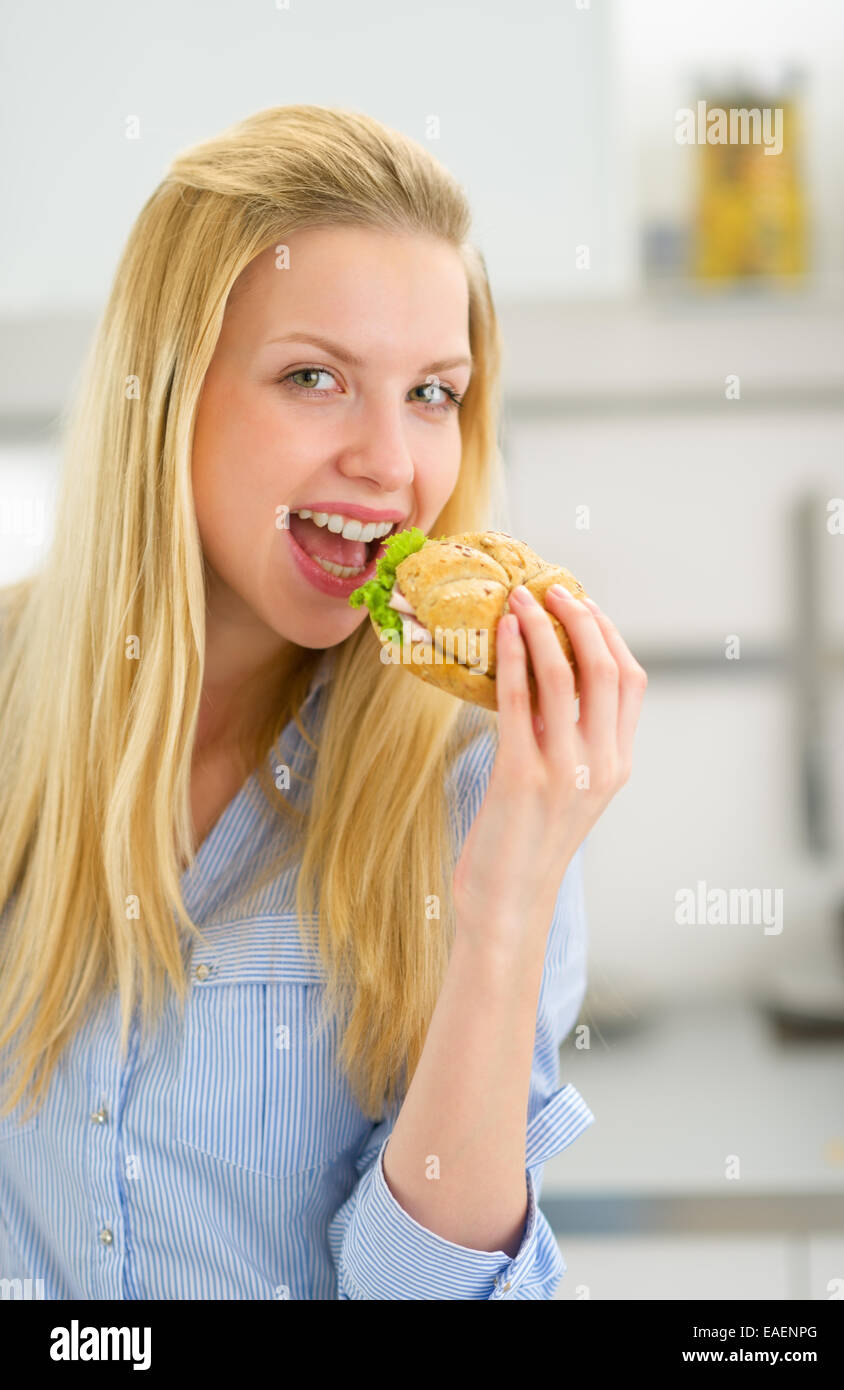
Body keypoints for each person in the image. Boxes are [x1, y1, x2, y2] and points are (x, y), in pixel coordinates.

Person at [0, 104, 646, 1299]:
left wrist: (505, 905)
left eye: (433, 393)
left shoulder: (480, 779)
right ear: (166, 392)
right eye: (315, 377)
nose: (391, 464)